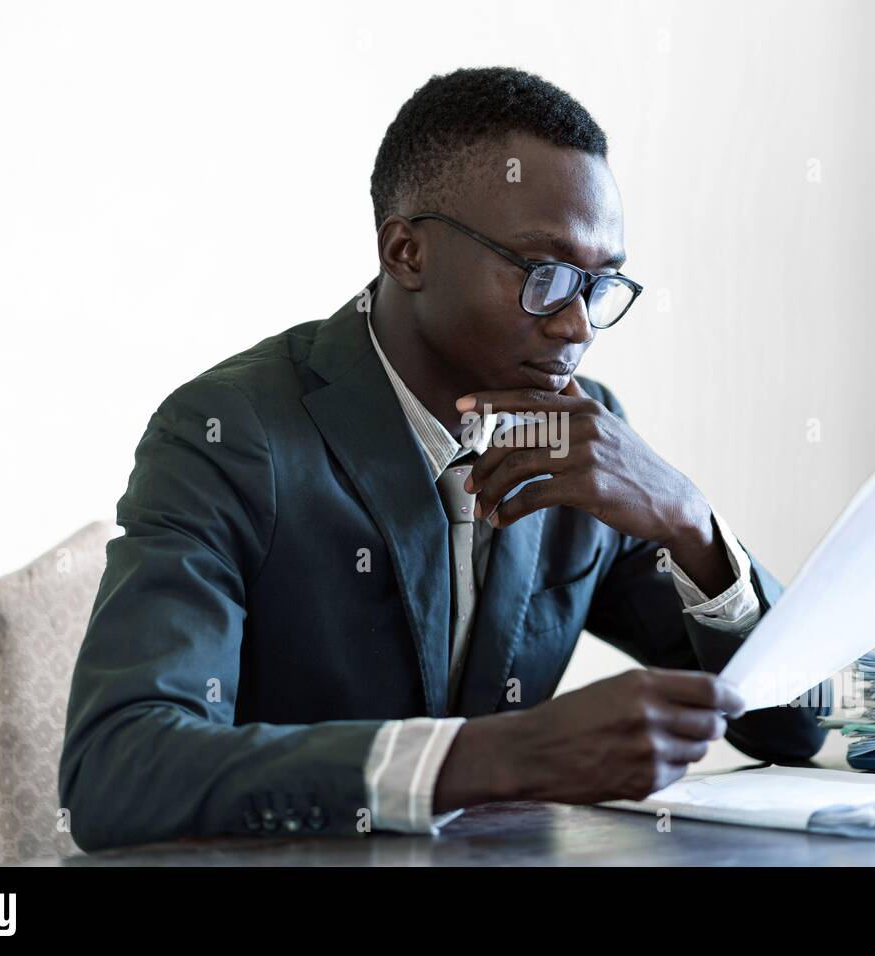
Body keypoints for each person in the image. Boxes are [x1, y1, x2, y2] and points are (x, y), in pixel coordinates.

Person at [59, 66, 829, 851]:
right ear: (406, 252)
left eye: (598, 285)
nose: (577, 326)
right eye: (545, 274)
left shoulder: (580, 432)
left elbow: (790, 727)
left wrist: (689, 521)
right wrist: (507, 755)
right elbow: (117, 771)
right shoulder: (231, 432)